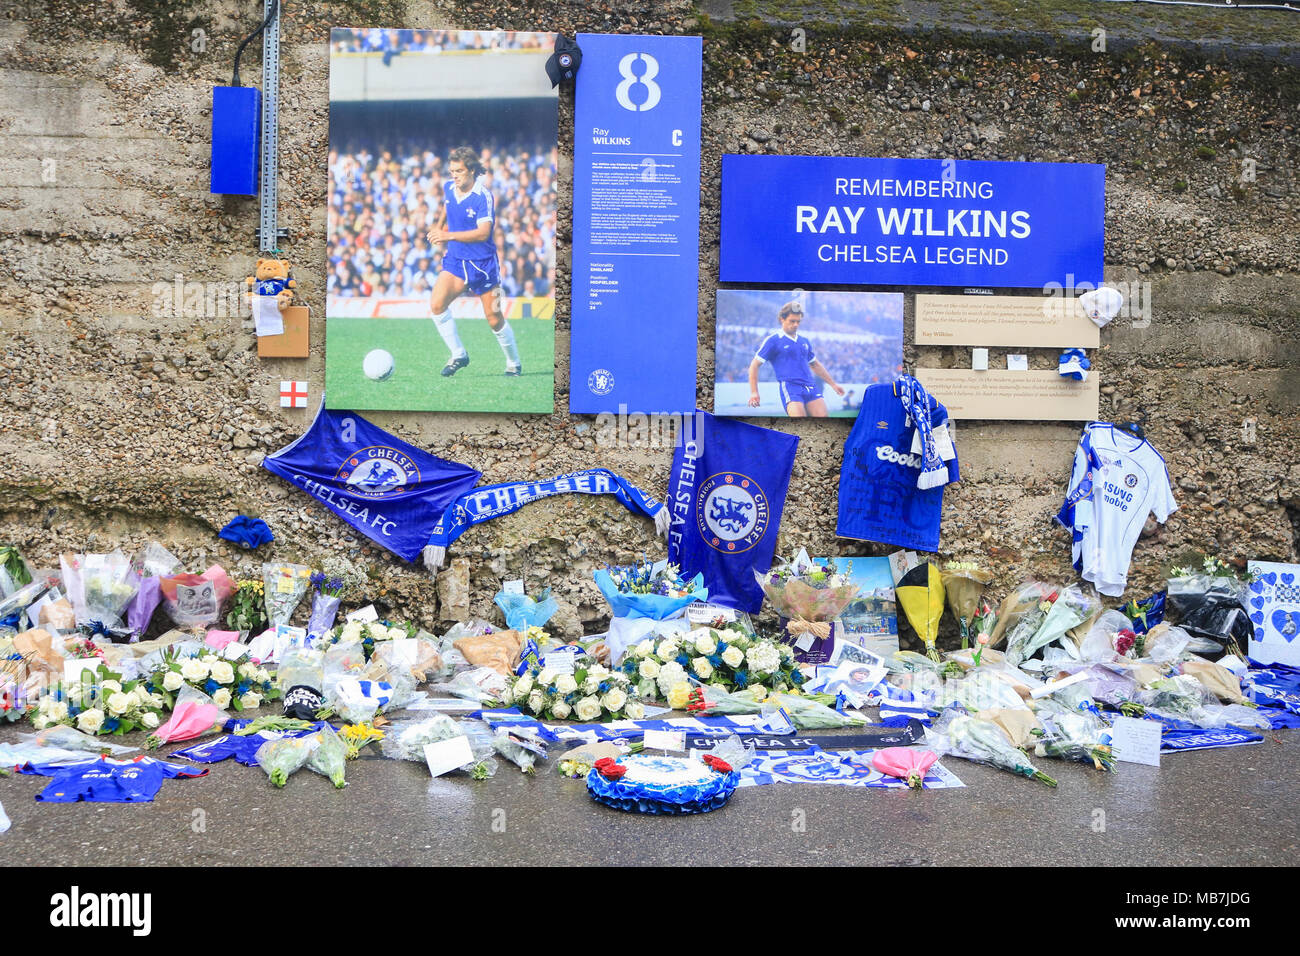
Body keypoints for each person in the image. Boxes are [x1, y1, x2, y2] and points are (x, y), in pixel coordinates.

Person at [426, 146, 521, 377]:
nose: (454, 175)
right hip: (456, 261)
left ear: (471, 171)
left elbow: (483, 233)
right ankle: (459, 354)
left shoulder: (483, 196)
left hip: (484, 266)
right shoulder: (450, 188)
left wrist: (447, 235)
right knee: (437, 305)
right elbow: (446, 206)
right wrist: (437, 226)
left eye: (459, 171)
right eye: (452, 171)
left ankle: (514, 363)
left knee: (494, 318)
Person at [747, 301, 845, 417]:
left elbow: (815, 365)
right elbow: (754, 365)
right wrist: (754, 392)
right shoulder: (773, 340)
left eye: (798, 321)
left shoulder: (804, 341)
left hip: (811, 386)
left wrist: (833, 384)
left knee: (823, 421)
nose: (795, 325)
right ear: (782, 319)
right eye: (792, 321)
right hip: (791, 387)